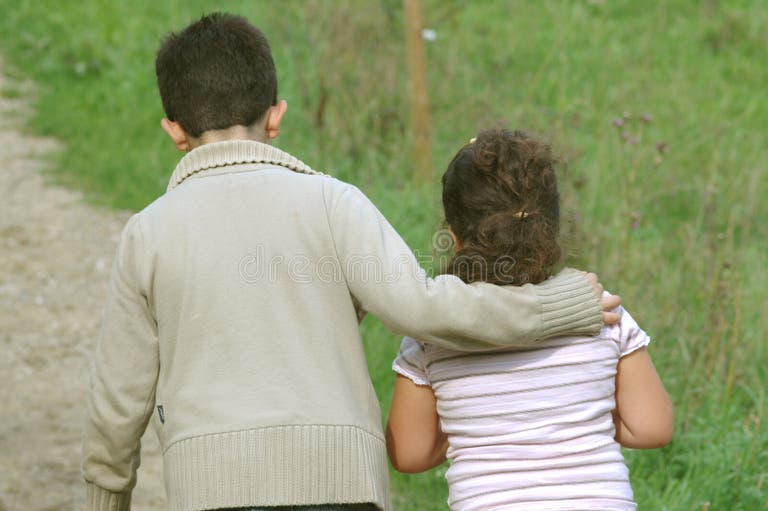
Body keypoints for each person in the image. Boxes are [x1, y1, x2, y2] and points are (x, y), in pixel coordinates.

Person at [81, 13, 622, 511]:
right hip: (341, 485)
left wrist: (107, 500)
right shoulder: (333, 203)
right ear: (276, 117)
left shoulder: (147, 233)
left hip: (210, 490)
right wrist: (555, 305)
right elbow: (423, 310)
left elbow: (117, 402)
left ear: (174, 130)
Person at [386, 129, 674, 510]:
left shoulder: (434, 334)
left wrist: (472, 434)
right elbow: (653, 427)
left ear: (454, 237)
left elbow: (409, 453)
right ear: (551, 227)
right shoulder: (600, 311)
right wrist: (588, 421)